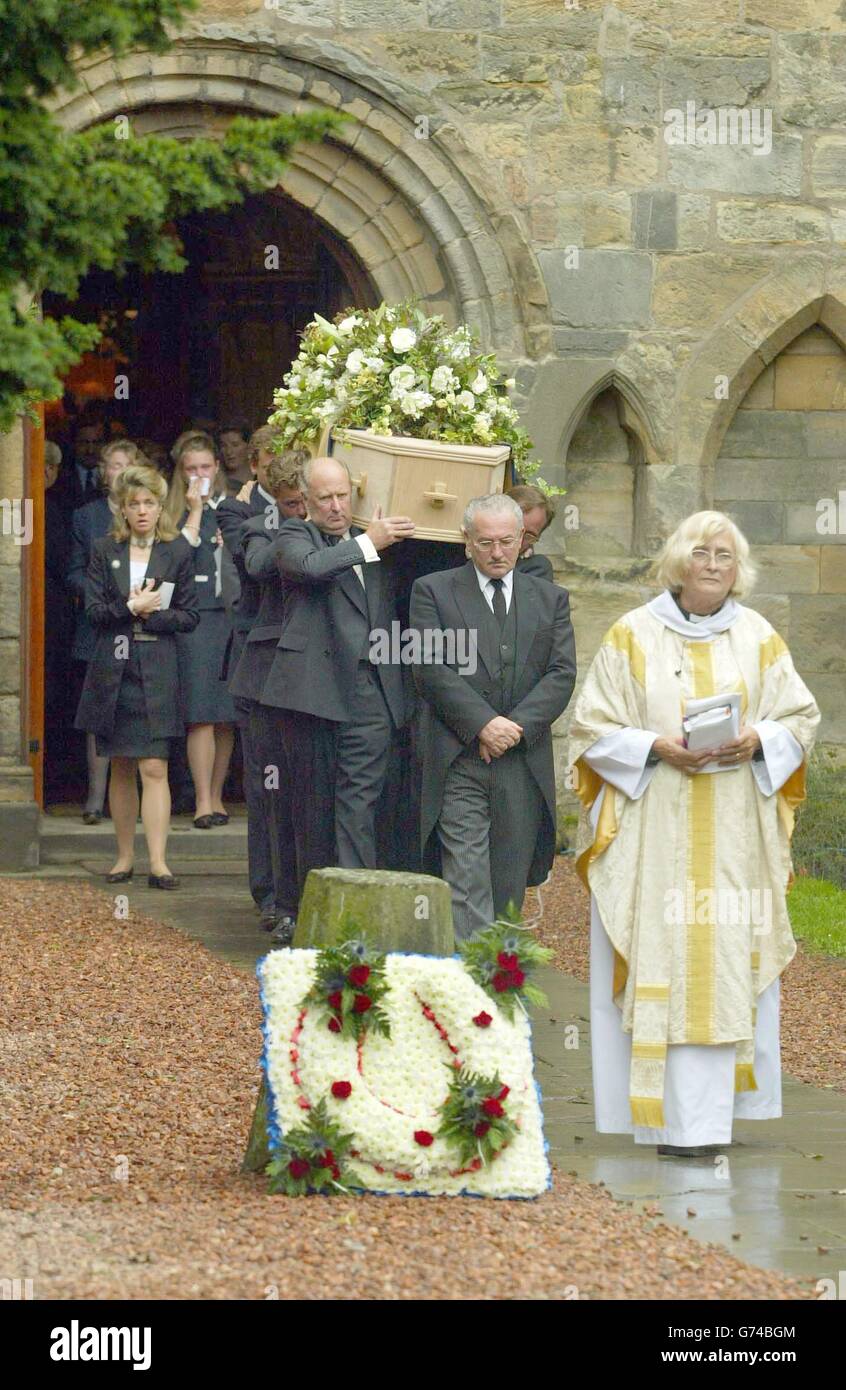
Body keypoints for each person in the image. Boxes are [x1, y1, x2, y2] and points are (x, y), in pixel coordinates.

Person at [567, 510, 821, 1157]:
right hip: (657, 829)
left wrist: (757, 739)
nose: (713, 564)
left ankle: (713, 1123)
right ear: (680, 560)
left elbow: (798, 716)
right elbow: (591, 728)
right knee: (666, 960)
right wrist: (654, 745)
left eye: (726, 555)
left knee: (726, 962)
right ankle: (668, 1122)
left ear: (739, 569)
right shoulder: (632, 635)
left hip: (734, 829)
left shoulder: (758, 636)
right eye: (703, 552)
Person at [409, 493, 577, 940]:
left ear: (523, 538)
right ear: (466, 541)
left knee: (508, 883)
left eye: (506, 541)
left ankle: (499, 983)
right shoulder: (433, 591)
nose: (498, 552)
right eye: (485, 542)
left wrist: (513, 729)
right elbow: (429, 667)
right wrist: (483, 723)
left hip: (521, 762)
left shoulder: (550, 598)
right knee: (464, 878)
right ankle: (471, 989)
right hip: (458, 758)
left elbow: (561, 675)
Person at [260, 456, 415, 902]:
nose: (335, 506)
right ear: (305, 501)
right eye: (324, 497)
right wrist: (368, 543)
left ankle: (356, 910)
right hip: (314, 695)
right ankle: (307, 909)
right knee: (310, 807)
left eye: (342, 495)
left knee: (359, 805)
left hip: (373, 693)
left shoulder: (381, 538)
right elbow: (309, 568)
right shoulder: (295, 534)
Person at [74, 464, 199, 888]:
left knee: (154, 766)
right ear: (122, 509)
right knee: (121, 765)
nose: (142, 510)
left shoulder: (178, 550)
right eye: (134, 504)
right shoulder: (102, 549)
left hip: (159, 667)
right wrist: (129, 609)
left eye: (149, 502)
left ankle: (159, 861)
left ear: (160, 506)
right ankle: (124, 857)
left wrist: (155, 612)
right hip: (113, 668)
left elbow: (191, 615)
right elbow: (93, 613)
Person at [228, 452, 308, 941]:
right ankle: (273, 897)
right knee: (268, 791)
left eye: (306, 501)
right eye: (291, 503)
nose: (301, 510)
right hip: (264, 677)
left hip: (314, 677)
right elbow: (257, 566)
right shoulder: (261, 526)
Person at [67, 440, 148, 823]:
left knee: (141, 712)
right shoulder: (86, 516)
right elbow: (72, 572)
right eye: (112, 465)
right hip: (100, 629)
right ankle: (96, 799)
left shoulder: (150, 514)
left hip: (145, 629)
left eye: (126, 465)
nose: (118, 472)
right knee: (99, 714)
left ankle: (140, 802)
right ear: (103, 471)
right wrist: (102, 596)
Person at [164, 431, 236, 828]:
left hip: (229, 616)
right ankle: (202, 801)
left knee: (226, 714)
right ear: (180, 473)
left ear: (217, 468)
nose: (199, 475)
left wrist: (233, 543)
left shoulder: (235, 506)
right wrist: (194, 512)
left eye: (205, 467)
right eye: (191, 469)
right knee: (201, 713)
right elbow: (171, 562)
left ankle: (220, 795)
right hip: (194, 619)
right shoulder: (171, 512)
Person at [507, 483, 556, 581]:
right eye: (513, 528)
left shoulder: (537, 568)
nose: (517, 540)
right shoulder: (469, 551)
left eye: (528, 535)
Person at [219, 418, 252, 495]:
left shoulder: (260, 479)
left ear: (249, 447)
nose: (229, 451)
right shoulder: (217, 481)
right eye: (224, 446)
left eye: (235, 445)